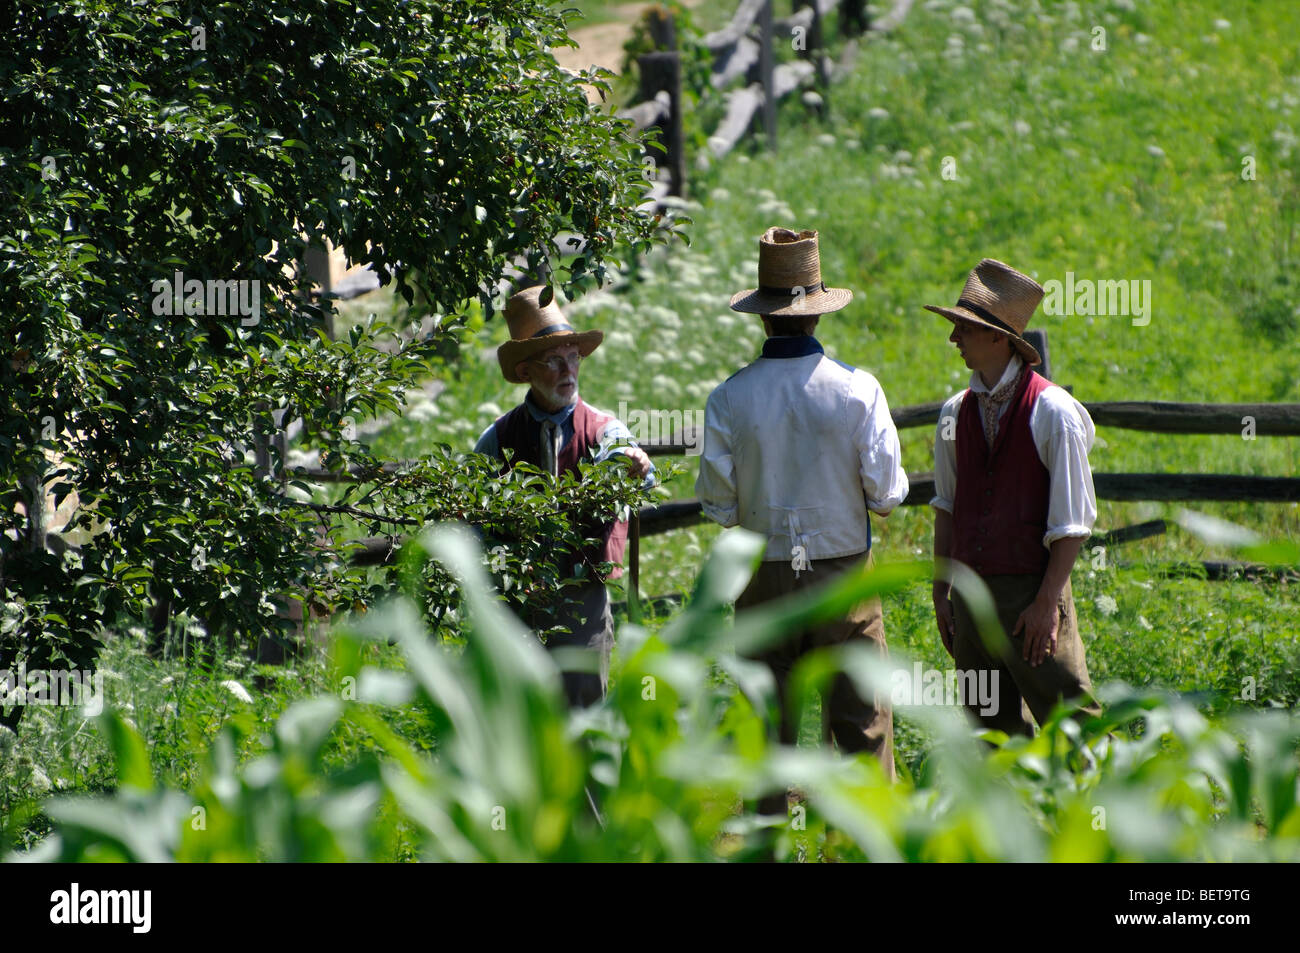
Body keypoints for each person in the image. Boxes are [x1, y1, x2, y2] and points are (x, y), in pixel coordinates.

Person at [696, 227, 909, 807]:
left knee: (765, 737)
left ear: (762, 317)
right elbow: (887, 493)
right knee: (862, 729)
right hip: (843, 576)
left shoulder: (729, 398)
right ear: (817, 316)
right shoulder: (857, 391)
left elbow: (718, 505)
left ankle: (764, 842)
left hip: (763, 575)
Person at [926, 258, 1101, 736]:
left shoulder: (1053, 411)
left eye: (963, 328)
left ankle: (1095, 812)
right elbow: (948, 508)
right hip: (969, 596)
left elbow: (1072, 523)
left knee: (1071, 727)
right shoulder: (953, 413)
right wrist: (942, 592)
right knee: (989, 735)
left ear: (999, 337)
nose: (953, 338)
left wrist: (1047, 604)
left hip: (1032, 594)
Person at [475, 285, 652, 708]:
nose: (567, 370)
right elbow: (472, 510)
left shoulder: (605, 429)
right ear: (525, 372)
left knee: (582, 718)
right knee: (521, 722)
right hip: (517, 601)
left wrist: (636, 466)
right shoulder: (498, 436)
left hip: (582, 602)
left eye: (572, 357)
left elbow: (641, 475)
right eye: (554, 361)